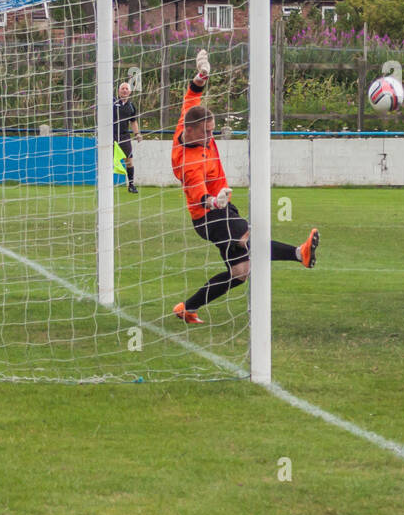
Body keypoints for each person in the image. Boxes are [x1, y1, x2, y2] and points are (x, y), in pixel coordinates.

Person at [172, 50, 319, 324]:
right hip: (209, 218)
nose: (211, 136)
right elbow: (199, 194)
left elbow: (191, 97)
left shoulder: (188, 122)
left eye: (213, 130)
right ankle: (300, 253)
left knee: (240, 272)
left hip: (222, 210)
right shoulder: (187, 162)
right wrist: (215, 201)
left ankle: (187, 307)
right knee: (246, 235)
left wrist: (202, 75)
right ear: (191, 132)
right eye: (207, 132)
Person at [113, 81, 143, 193]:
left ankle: (131, 185)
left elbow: (133, 122)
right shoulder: (112, 101)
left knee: (129, 161)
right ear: (119, 91)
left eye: (126, 89)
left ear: (130, 92)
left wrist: (137, 134)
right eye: (122, 88)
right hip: (111, 136)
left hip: (124, 136)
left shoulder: (131, 106)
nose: (124, 90)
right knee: (106, 160)